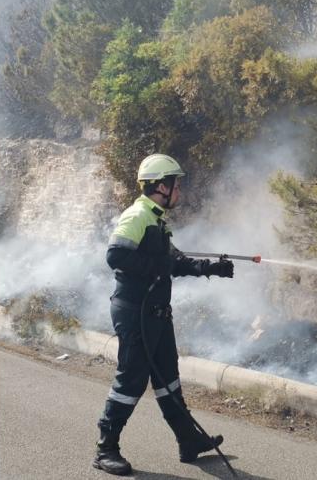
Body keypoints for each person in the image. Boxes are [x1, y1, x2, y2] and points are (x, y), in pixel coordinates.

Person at [93, 154, 235, 476]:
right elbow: (115, 255)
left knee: (168, 379)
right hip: (134, 313)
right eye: (176, 184)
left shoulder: (157, 220)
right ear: (161, 186)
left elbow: (174, 262)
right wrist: (155, 266)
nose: (179, 191)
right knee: (131, 381)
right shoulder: (138, 215)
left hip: (156, 314)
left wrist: (212, 268)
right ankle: (105, 449)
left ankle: (188, 441)